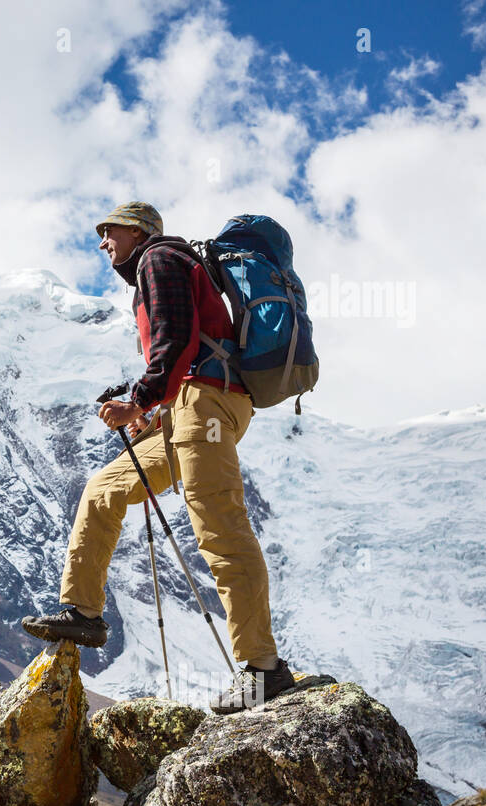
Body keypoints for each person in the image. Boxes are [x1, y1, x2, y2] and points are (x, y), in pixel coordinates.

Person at [21, 201, 295, 714]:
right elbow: (180, 347)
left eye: (111, 231)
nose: (104, 242)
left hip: (208, 402)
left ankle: (263, 670)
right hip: (190, 404)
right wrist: (151, 402)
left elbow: (175, 341)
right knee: (105, 490)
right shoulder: (161, 267)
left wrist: (138, 401)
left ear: (139, 231)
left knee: (219, 525)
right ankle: (83, 612)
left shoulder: (159, 259)